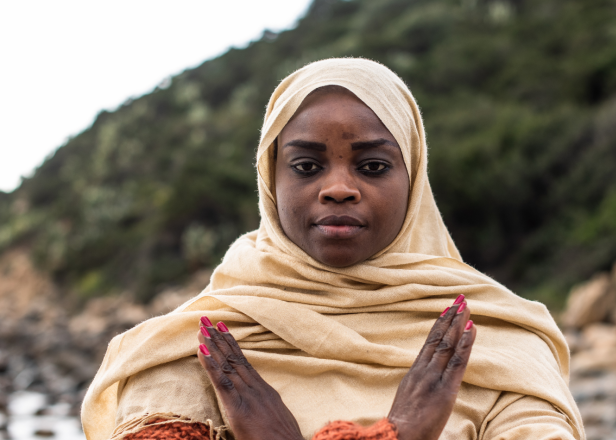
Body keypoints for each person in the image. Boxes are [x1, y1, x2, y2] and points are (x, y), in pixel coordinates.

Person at [81, 58, 585, 440]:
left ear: (414, 180)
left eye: (372, 167)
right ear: (270, 179)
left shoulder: (493, 344)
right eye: (306, 166)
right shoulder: (198, 350)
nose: (339, 188)